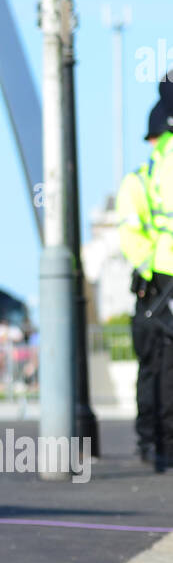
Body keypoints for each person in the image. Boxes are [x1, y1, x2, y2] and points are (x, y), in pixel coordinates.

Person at [118, 99, 172, 470]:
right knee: (162, 368)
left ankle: (151, 444)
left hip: (153, 280)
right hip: (161, 279)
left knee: (154, 367)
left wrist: (145, 269)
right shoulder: (153, 172)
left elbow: (131, 231)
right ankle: (160, 444)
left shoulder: (141, 177)